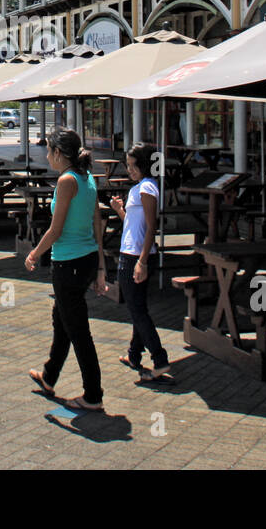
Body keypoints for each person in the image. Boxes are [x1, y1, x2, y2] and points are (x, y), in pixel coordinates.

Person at [25, 128, 106, 411]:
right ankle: (49, 376)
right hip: (85, 260)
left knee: (78, 331)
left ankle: (93, 395)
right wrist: (100, 267)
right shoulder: (87, 177)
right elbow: (98, 221)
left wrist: (34, 252)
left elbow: (55, 229)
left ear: (59, 153)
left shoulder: (67, 180)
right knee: (62, 321)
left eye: (49, 151)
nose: (47, 156)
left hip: (69, 263)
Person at [110, 143, 173, 384]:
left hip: (136, 256)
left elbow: (150, 228)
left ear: (144, 165)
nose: (130, 170)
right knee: (138, 308)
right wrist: (119, 210)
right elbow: (132, 226)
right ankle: (134, 355)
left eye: (133, 165)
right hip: (132, 252)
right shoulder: (140, 188)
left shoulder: (147, 187)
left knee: (137, 311)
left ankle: (159, 359)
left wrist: (142, 261)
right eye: (128, 165)